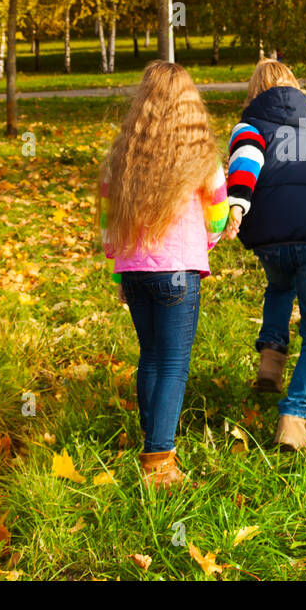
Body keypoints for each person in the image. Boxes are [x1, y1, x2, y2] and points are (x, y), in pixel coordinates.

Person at [98, 61, 230, 488]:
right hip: (178, 270)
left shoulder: (122, 157)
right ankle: (159, 463)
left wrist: (120, 273)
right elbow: (218, 215)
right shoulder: (200, 156)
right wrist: (204, 246)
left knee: (151, 357)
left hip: (135, 271)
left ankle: (151, 446)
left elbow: (107, 222)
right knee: (173, 363)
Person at [225, 59, 306, 451]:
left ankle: (271, 356)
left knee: (278, 285)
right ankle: (295, 416)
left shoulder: (251, 124)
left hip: (271, 235)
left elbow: (246, 162)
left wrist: (237, 204)